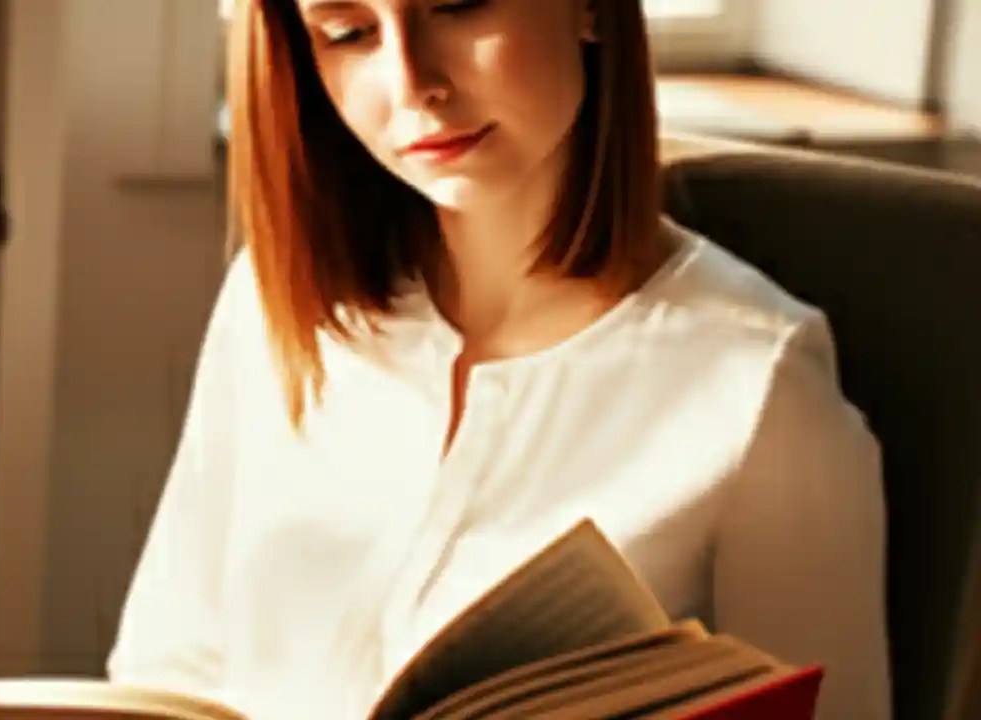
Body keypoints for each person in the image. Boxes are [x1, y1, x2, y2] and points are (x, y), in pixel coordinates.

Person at [107, 1, 893, 718]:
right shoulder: (280, 309)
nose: (413, 85)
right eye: (349, 33)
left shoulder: (757, 386)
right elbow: (168, 670)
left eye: (456, 4)